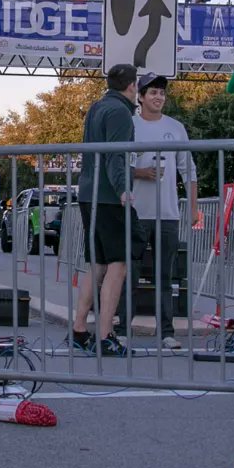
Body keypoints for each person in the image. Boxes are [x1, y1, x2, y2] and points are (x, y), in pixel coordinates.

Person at [120, 73, 199, 350]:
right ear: (140, 96)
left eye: (162, 93)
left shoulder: (176, 128)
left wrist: (194, 207)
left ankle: (166, 332)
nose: (158, 97)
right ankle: (121, 329)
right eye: (152, 92)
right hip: (136, 211)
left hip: (167, 214)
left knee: (165, 276)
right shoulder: (129, 125)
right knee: (130, 273)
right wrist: (141, 172)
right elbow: (118, 167)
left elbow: (188, 169)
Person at [70, 63, 138, 357]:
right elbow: (116, 156)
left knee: (96, 263)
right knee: (118, 264)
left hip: (88, 192)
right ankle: (106, 334)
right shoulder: (121, 112)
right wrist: (123, 189)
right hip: (109, 195)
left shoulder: (97, 107)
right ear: (132, 86)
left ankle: (79, 329)